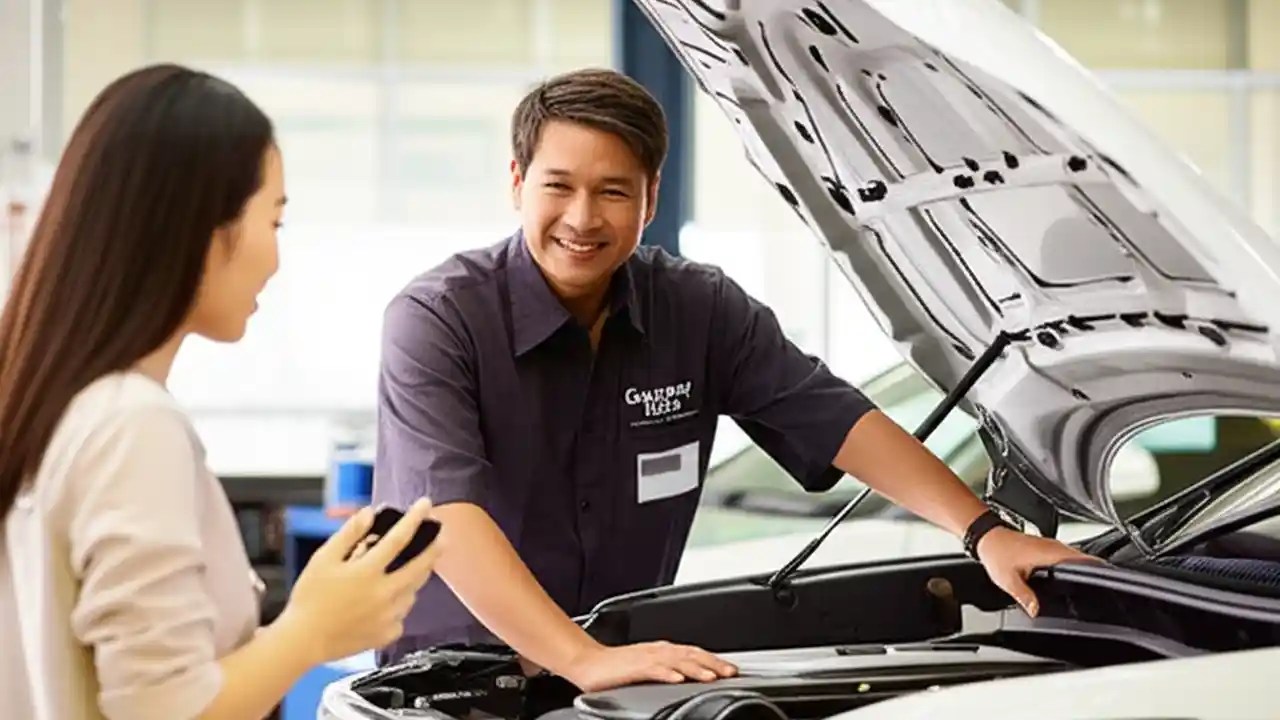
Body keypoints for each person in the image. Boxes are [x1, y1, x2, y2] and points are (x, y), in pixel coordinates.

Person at [372, 67, 1094, 690]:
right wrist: (578, 657)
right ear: (518, 183)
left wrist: (986, 534)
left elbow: (834, 418)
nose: (582, 219)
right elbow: (449, 517)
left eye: (614, 193)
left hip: (623, 675)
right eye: (558, 186)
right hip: (452, 681)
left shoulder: (700, 311)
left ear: (651, 198)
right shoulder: (438, 320)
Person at [0, 64, 442, 720]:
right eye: (275, 221)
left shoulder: (53, 405)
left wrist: (306, 620)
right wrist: (310, 632)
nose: (276, 258)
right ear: (204, 228)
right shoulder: (131, 425)